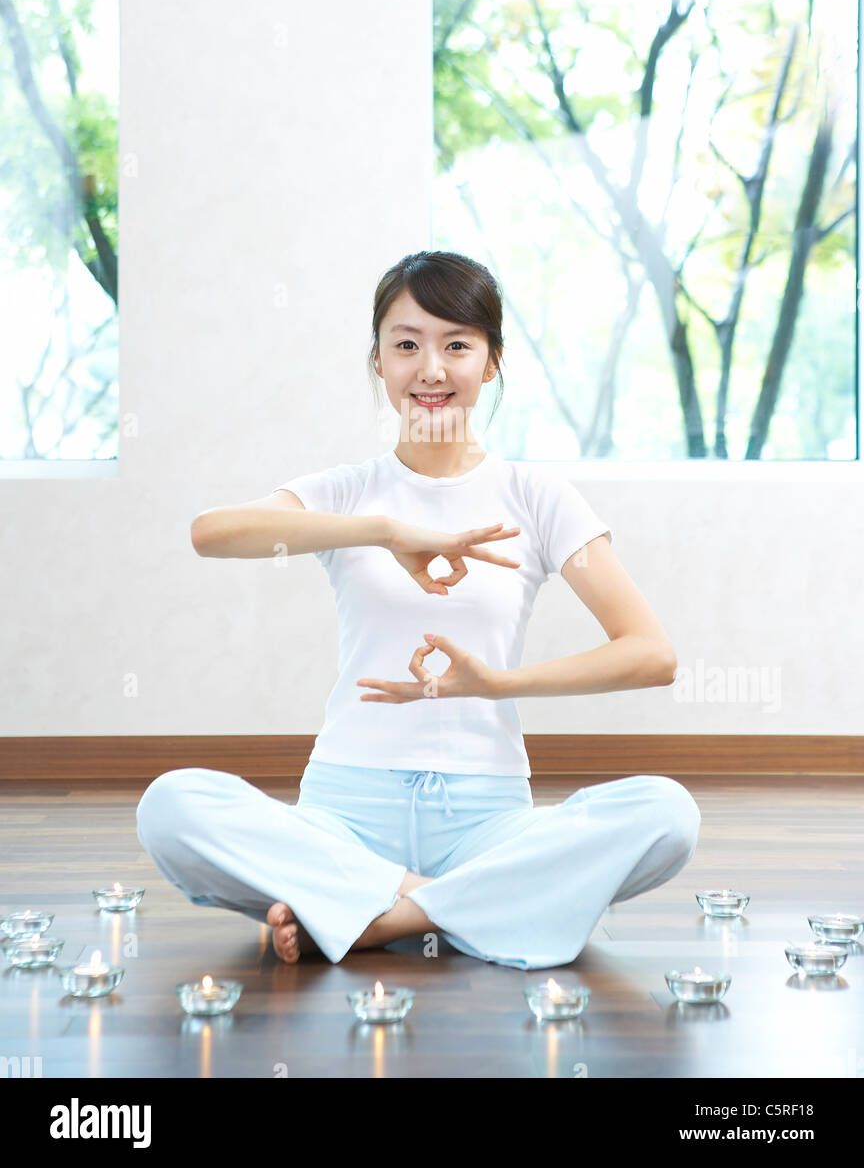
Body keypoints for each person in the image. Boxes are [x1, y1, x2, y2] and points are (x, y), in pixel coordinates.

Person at [136, 250, 700, 970]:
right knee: (172, 805)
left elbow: (651, 654)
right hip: (344, 809)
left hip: (487, 816)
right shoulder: (344, 492)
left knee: (666, 814)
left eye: (457, 344)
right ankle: (457, 904)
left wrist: (498, 685)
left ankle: (365, 917)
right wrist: (385, 528)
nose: (430, 368)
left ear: (492, 361)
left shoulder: (538, 496)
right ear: (378, 361)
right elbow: (213, 533)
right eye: (406, 344)